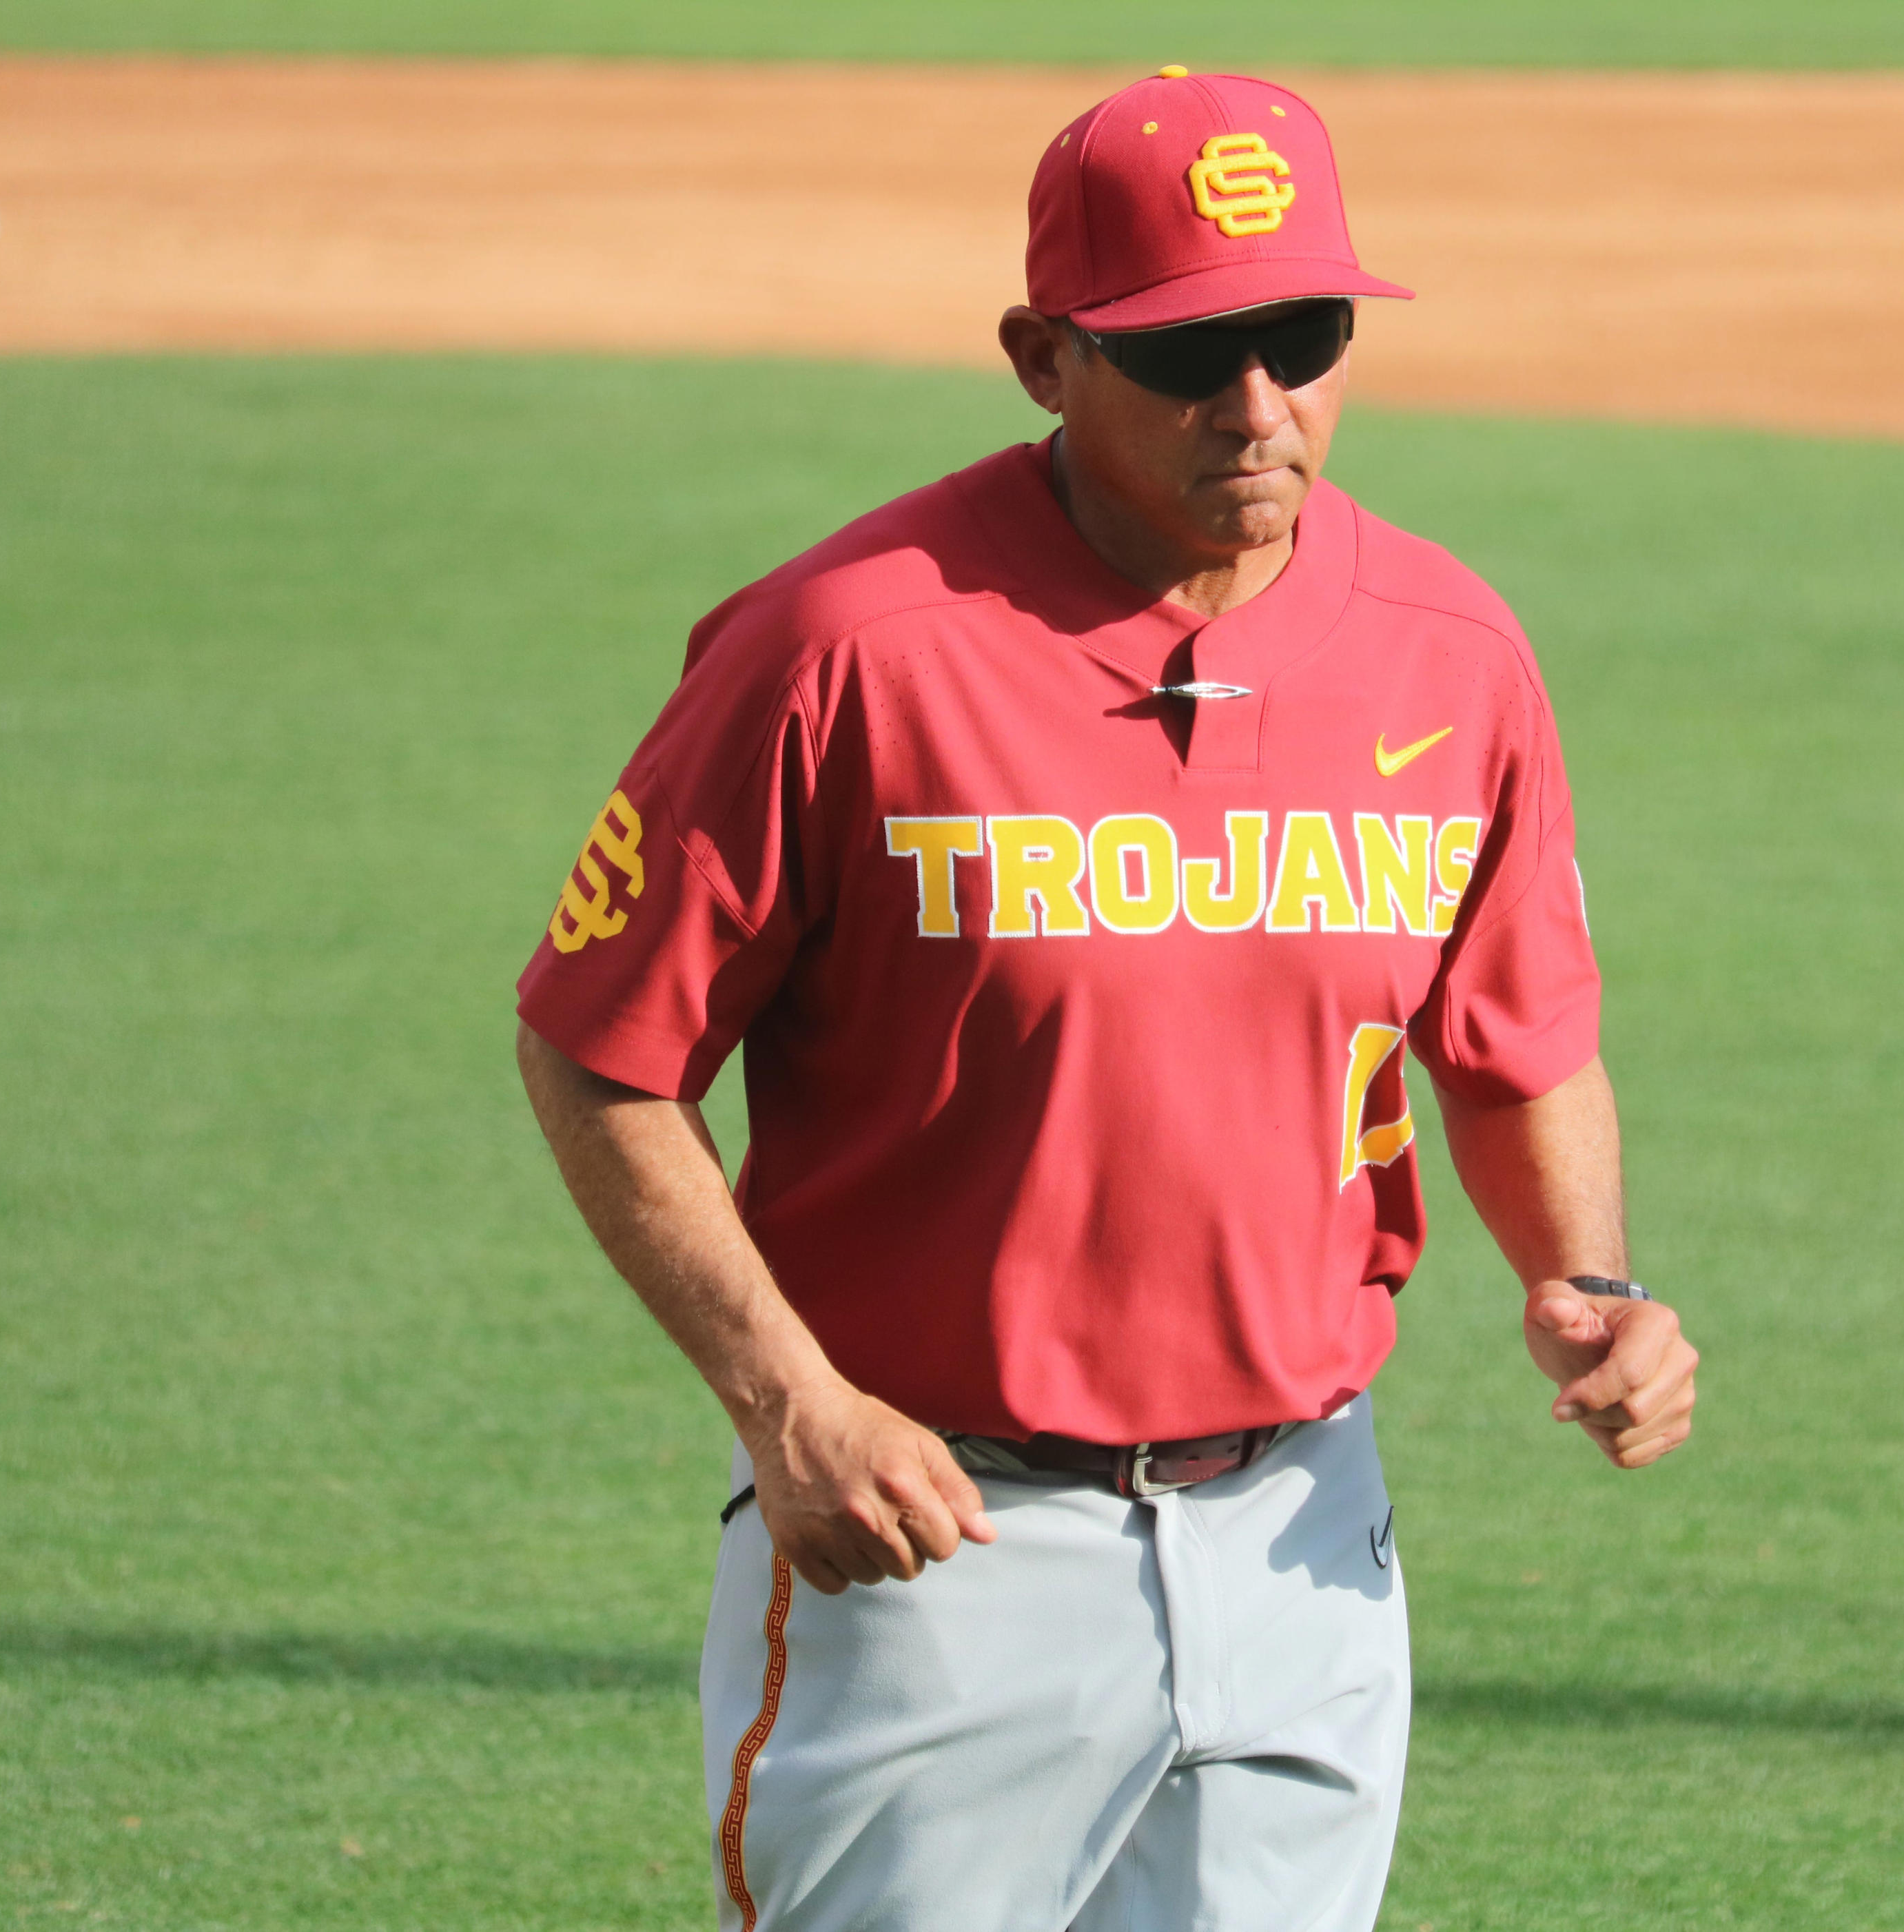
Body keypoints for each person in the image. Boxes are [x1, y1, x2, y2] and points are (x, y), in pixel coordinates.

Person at [515, 66, 1699, 1932]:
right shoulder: (843, 650)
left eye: (1305, 338)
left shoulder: (1452, 654)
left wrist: (1594, 1283)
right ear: (1042, 359)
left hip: (1308, 1547)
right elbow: (599, 1053)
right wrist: (788, 1403)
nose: (1259, 402)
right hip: (938, 1548)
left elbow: (1519, 1039)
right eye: (1188, 350)